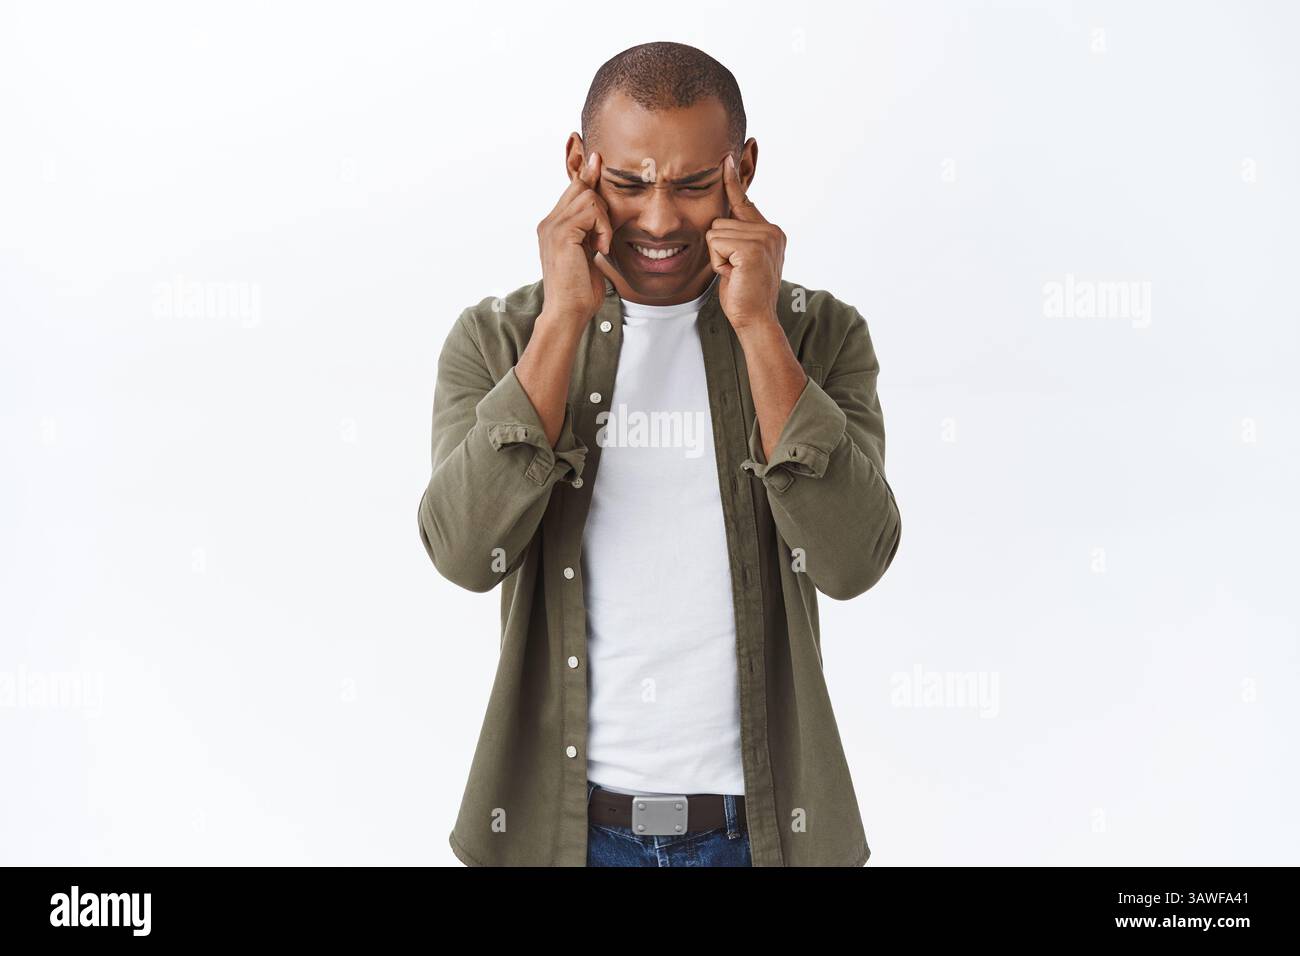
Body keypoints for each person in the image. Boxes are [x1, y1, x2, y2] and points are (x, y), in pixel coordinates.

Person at [418, 41, 901, 866]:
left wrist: (757, 327)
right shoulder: (497, 339)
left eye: (692, 184)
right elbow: (465, 554)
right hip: (562, 837)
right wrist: (563, 320)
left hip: (760, 836)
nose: (658, 218)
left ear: (743, 167)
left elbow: (852, 562)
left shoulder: (818, 335)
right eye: (630, 182)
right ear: (578, 163)